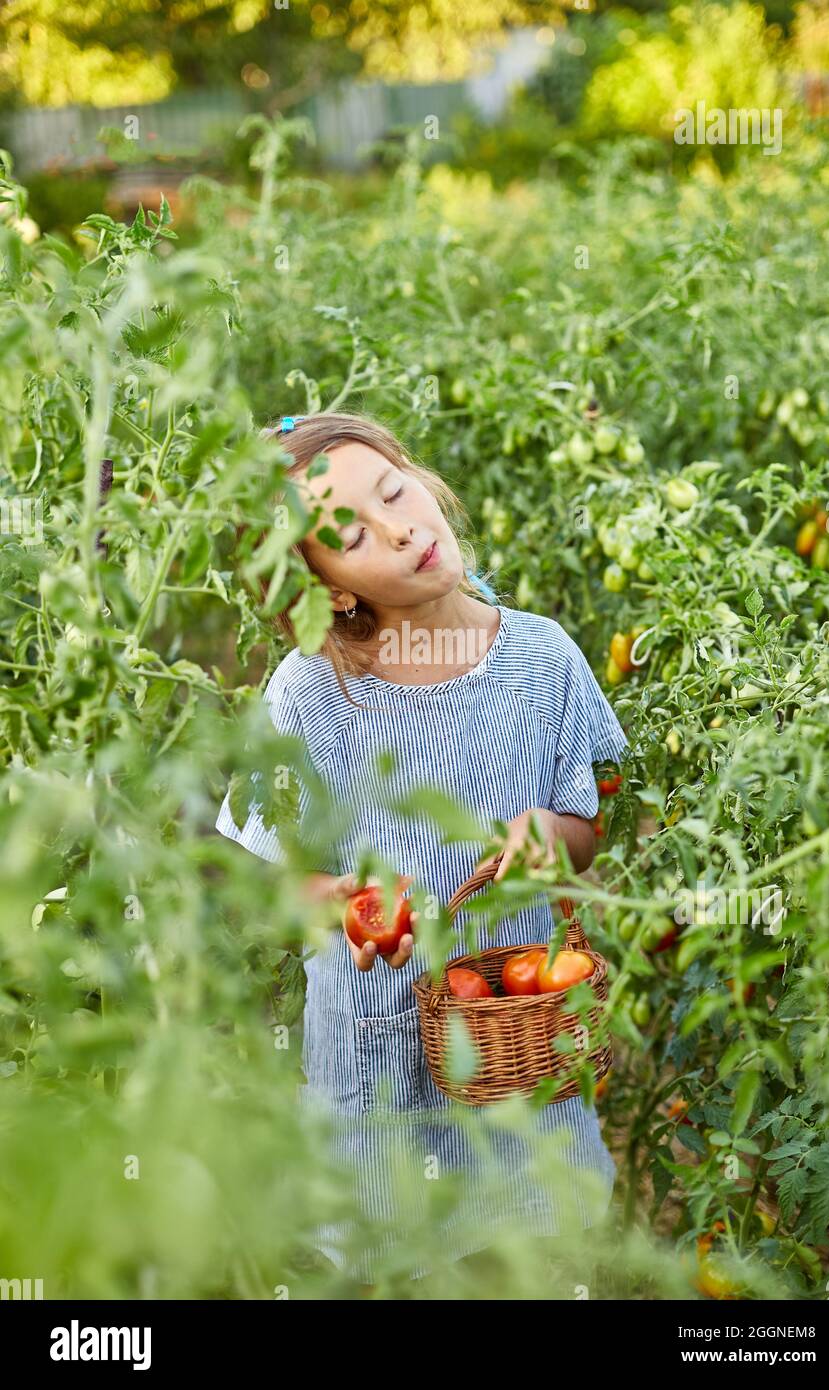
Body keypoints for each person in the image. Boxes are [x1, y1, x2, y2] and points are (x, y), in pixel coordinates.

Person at [216, 410, 628, 1289]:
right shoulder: (310, 695)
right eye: (353, 534)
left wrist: (548, 838)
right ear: (329, 588)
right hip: (377, 1073)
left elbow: (586, 826)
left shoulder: (542, 660)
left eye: (395, 493)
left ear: (423, 482)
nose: (402, 531)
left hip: (518, 1049)